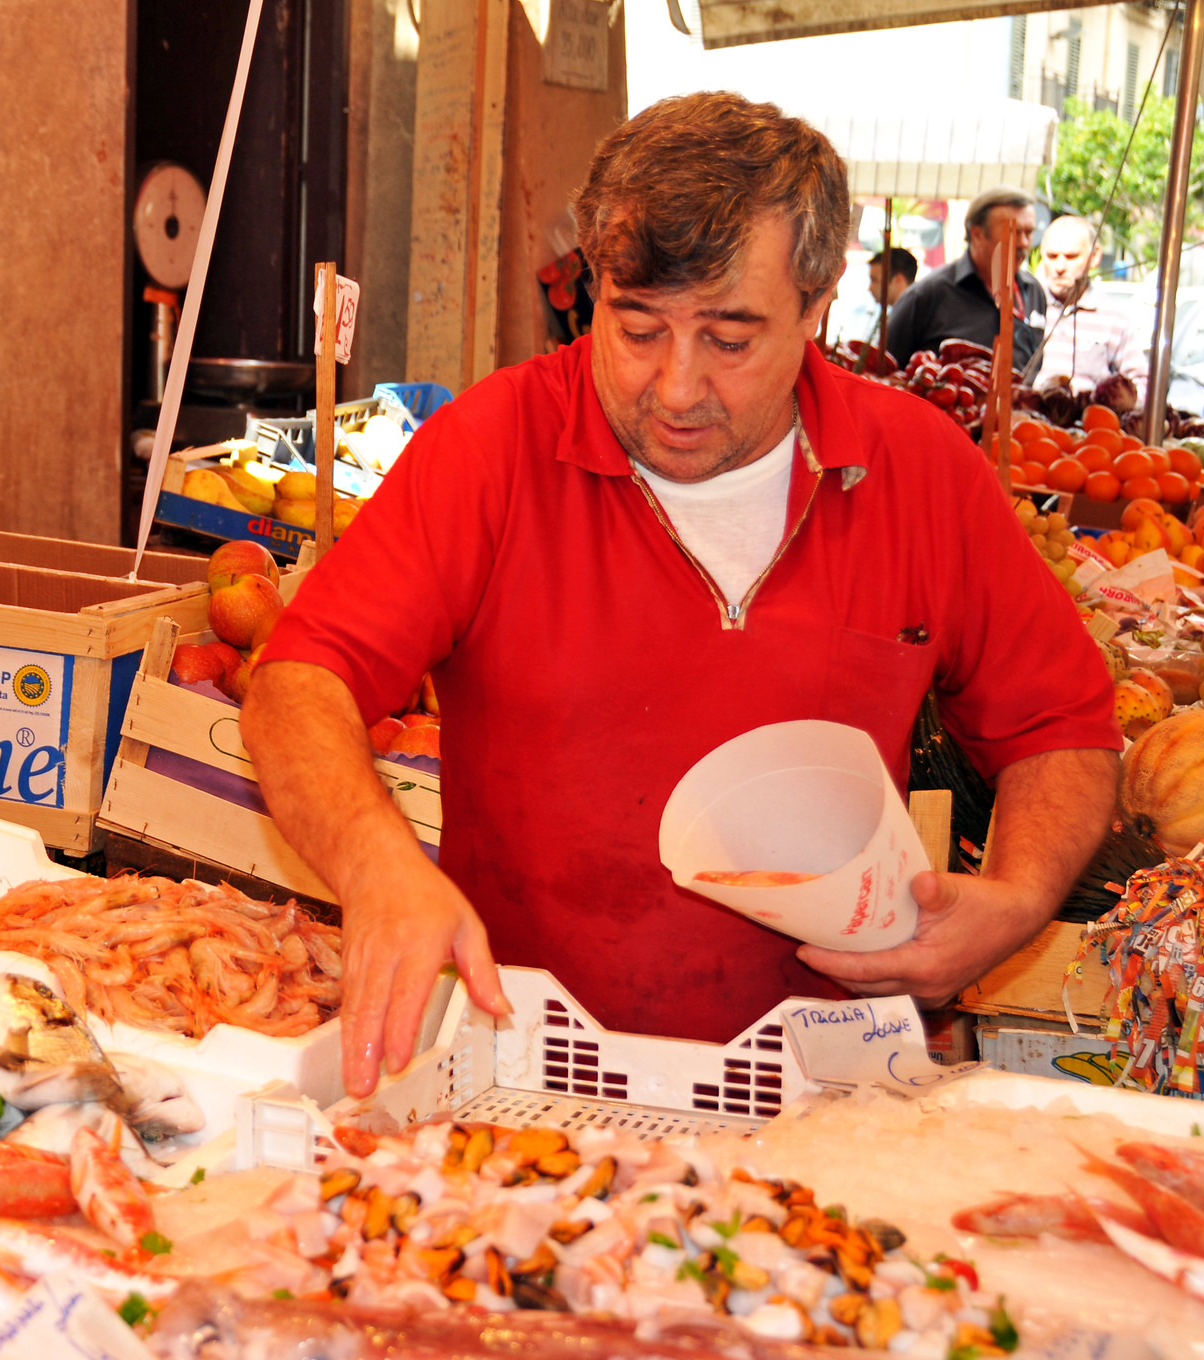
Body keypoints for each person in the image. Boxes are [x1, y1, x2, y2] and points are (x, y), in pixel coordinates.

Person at [239, 93, 1121, 1099]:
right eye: (637, 327)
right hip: (526, 1073)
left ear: (815, 303)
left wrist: (1015, 894)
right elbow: (297, 681)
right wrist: (373, 862)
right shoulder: (491, 449)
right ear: (592, 291)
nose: (674, 387)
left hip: (823, 1091)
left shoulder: (917, 471)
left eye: (729, 338)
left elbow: (1061, 723)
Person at [884, 188, 1046, 369]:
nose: (1023, 243)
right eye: (1013, 232)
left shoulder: (1033, 292)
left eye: (1029, 232)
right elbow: (885, 372)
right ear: (977, 234)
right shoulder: (927, 294)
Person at [1031, 216, 1147, 392]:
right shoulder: (1028, 306)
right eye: (1052, 256)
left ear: (1095, 256)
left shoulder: (1114, 318)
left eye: (1071, 257)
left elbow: (1141, 384)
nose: (1060, 267)